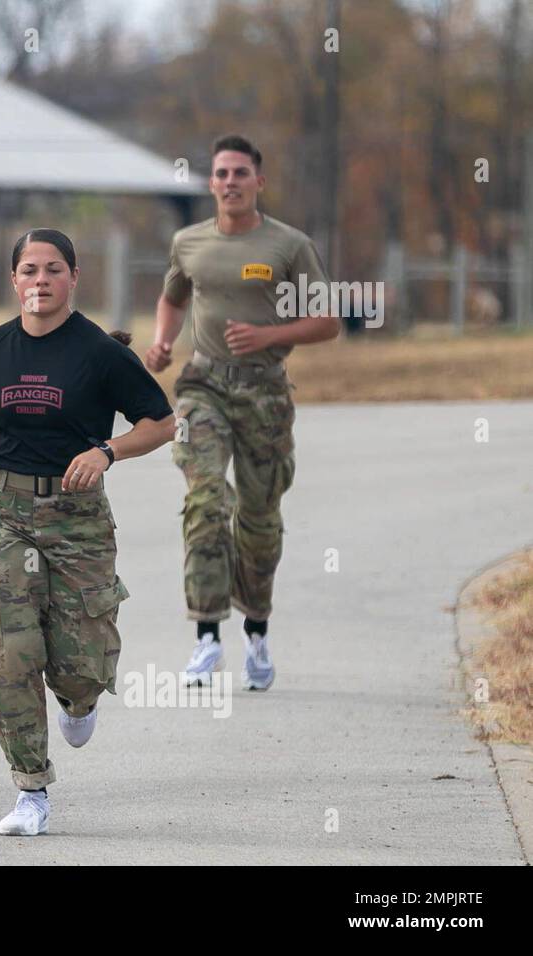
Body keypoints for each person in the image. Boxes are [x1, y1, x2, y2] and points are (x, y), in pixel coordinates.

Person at [0, 228, 174, 836]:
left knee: (80, 664)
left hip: (77, 518)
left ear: (73, 278)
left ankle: (80, 699)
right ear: (14, 281)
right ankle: (31, 790)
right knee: (5, 648)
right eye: (30, 270)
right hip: (4, 512)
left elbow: (162, 424)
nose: (41, 280)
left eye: (54, 269)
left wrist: (108, 452)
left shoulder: (99, 352)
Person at [145, 134, 339, 691]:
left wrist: (267, 335)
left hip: (265, 393)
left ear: (259, 182)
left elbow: (328, 322)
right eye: (221, 173)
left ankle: (256, 629)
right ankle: (206, 636)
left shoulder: (289, 245)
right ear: (211, 183)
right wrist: (162, 342)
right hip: (202, 384)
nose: (230, 182)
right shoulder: (189, 242)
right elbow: (173, 298)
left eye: (240, 173)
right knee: (205, 498)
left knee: (258, 518)